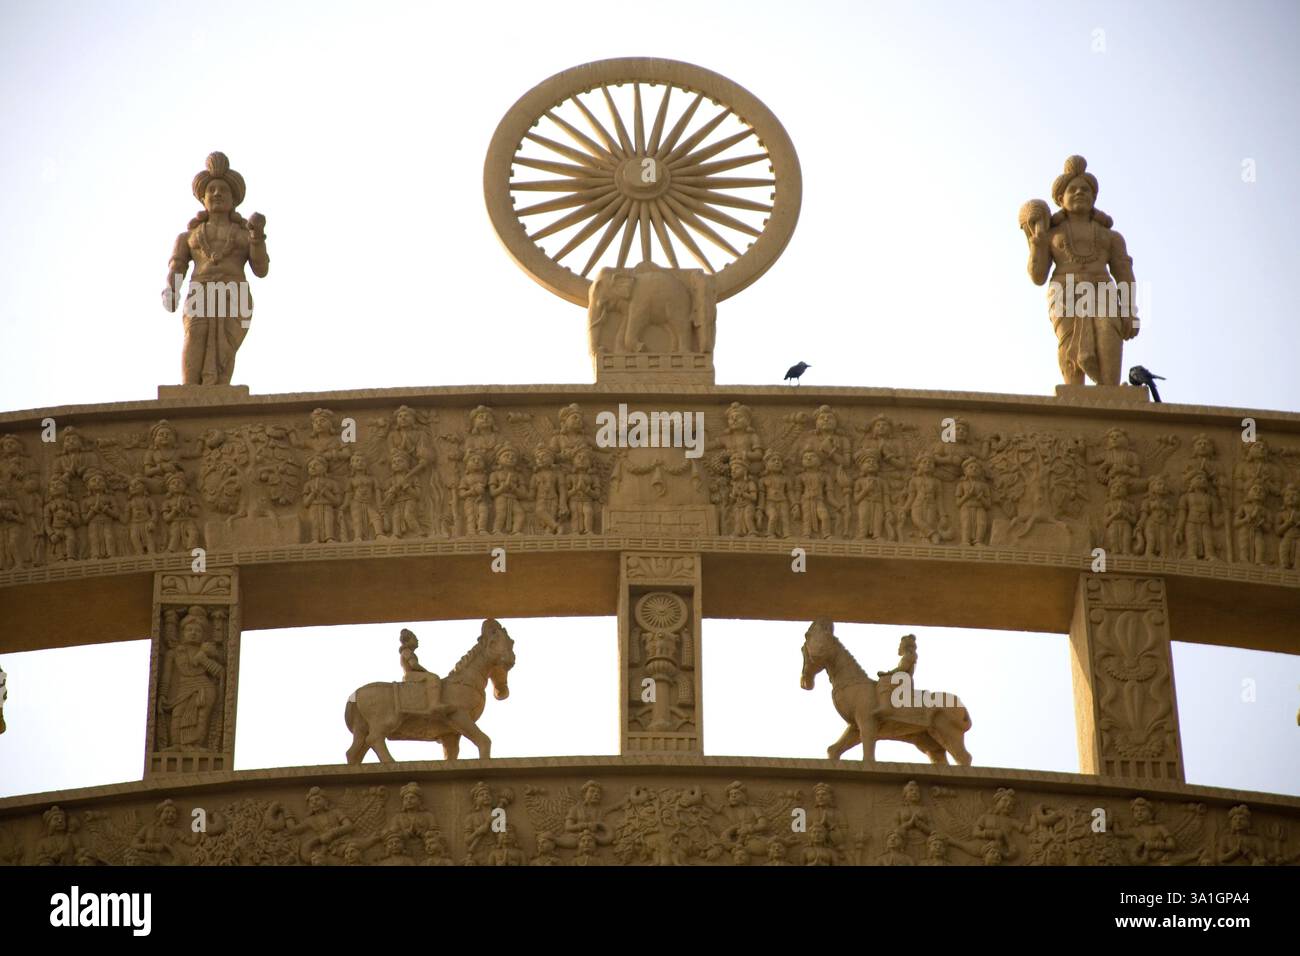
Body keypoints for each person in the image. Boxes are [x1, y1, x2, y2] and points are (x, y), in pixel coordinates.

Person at [398, 629, 453, 716]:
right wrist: (427, 672)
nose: (417, 640)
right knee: (433, 677)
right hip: (411, 675)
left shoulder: (407, 652)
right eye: (414, 638)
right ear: (408, 640)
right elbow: (414, 665)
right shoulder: (407, 652)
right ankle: (434, 704)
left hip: (410, 674)